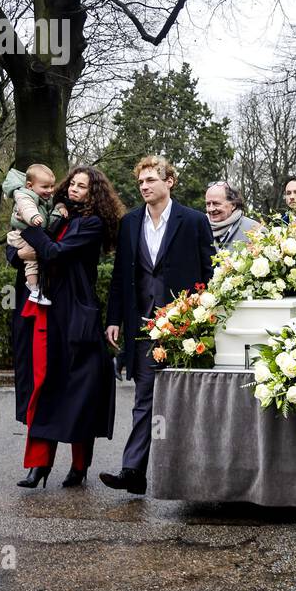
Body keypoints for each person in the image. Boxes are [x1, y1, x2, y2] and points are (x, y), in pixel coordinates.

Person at [101, 156, 214, 495]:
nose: (145, 186)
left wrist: (205, 318)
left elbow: (209, 273)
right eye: (141, 182)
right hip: (143, 326)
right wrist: (114, 320)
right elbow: (121, 276)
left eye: (151, 180)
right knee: (144, 398)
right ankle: (133, 471)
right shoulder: (130, 222)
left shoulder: (193, 221)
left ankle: (198, 476)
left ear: (170, 182)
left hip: (184, 325)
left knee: (190, 400)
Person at [9, 166, 124, 489]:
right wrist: (22, 247)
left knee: (80, 394)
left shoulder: (92, 224)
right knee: (42, 387)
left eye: (83, 186)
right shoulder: (50, 213)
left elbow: (54, 252)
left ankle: (79, 465)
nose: (74, 189)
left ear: (94, 193)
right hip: (42, 313)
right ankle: (38, 465)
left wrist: (29, 233)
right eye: (72, 183)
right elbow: (13, 252)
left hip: (76, 315)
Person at [2, 164, 67, 305]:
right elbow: (26, 207)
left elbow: (55, 203)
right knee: (31, 262)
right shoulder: (25, 196)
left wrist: (60, 207)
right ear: (30, 185)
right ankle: (34, 289)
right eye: (45, 187)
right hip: (23, 240)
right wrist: (20, 254)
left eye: (52, 186)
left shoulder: (48, 199)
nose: (49, 190)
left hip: (54, 284)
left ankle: (35, 290)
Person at [205, 180, 258, 249]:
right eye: (208, 204)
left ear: (233, 205)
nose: (211, 209)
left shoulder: (255, 231)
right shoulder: (199, 229)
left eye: (216, 203)